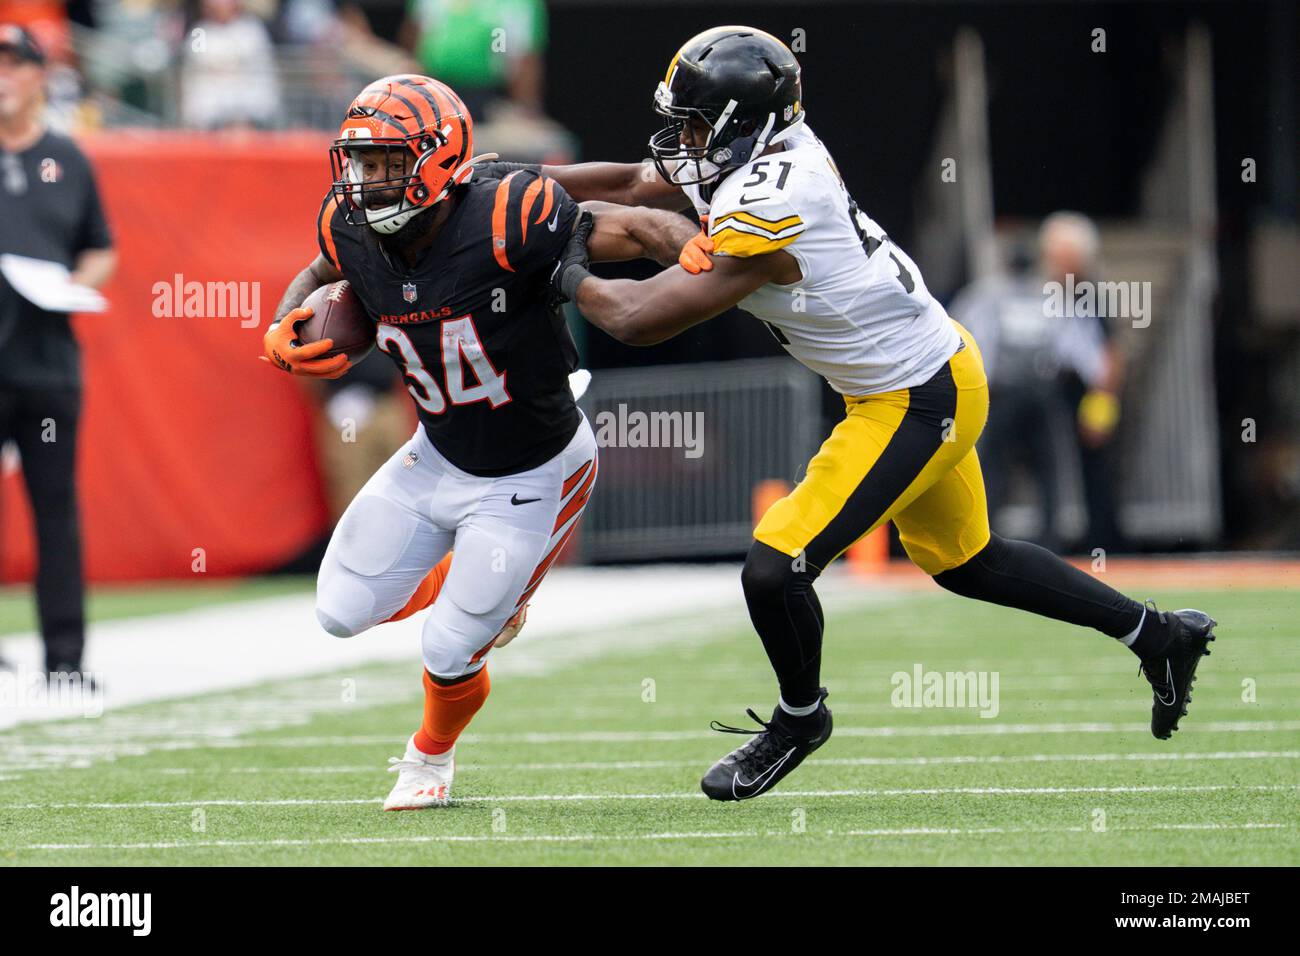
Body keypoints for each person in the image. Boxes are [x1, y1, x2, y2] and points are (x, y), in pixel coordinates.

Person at [528, 26, 1216, 801]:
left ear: (742, 125)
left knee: (774, 564)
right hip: (921, 373)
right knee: (969, 563)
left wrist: (556, 267)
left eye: (695, 124)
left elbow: (640, 318)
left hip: (920, 395)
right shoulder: (754, 154)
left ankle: (800, 718)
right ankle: (1159, 635)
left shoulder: (775, 195)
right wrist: (508, 182)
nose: (680, 142)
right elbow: (628, 179)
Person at [262, 74, 700, 809]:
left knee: (448, 646)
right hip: (437, 454)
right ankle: (476, 586)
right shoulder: (348, 223)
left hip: (534, 470)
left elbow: (621, 221)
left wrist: (693, 246)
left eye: (386, 163)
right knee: (338, 610)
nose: (366, 182)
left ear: (437, 159)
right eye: (360, 164)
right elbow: (320, 271)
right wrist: (283, 320)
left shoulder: (506, 214)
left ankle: (429, 759)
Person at [0, 24, 115, 678]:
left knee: (55, 508)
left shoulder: (66, 158)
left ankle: (65, 660)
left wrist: (77, 284)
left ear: (39, 75)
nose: (3, 77)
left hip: (45, 363)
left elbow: (101, 245)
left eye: (15, 64)